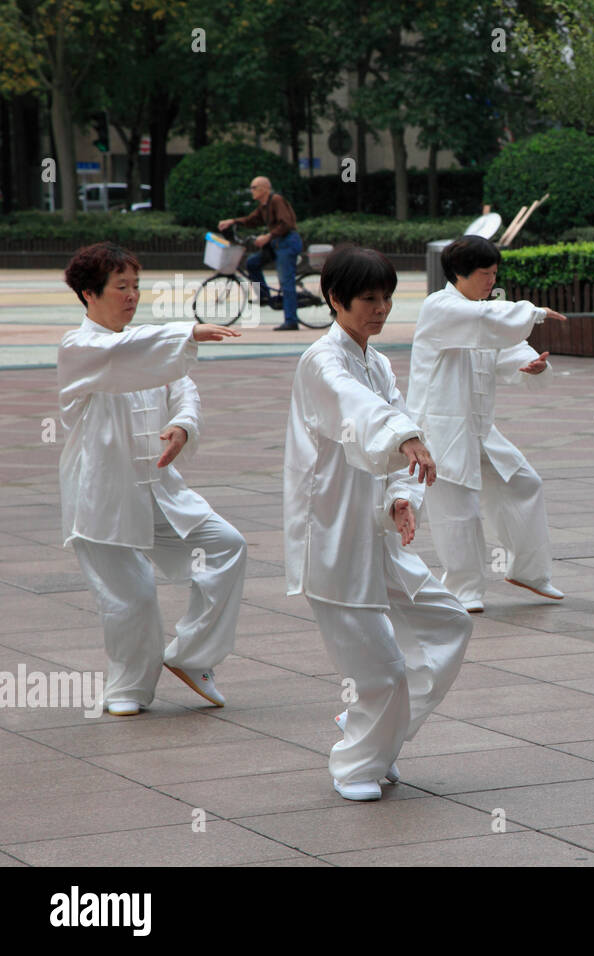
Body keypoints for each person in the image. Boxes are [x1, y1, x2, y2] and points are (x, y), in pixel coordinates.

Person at [284, 245, 471, 801]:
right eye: (368, 298)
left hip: (378, 536)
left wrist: (400, 497)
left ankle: (375, 732)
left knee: (450, 625)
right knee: (381, 674)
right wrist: (404, 436)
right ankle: (355, 765)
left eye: (388, 297)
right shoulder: (322, 361)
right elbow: (357, 412)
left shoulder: (378, 361)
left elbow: (387, 444)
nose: (381, 308)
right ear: (335, 300)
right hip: (336, 540)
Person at [59, 242, 245, 716]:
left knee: (225, 546)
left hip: (159, 488)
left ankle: (192, 655)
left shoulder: (148, 348)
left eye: (136, 286)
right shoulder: (79, 348)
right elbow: (128, 355)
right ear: (88, 294)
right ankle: (127, 688)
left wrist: (183, 426)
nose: (132, 296)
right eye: (121, 287)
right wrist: (189, 332)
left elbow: (184, 389)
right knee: (132, 597)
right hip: (104, 495)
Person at [407, 236, 568, 613]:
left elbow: (507, 346)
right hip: (442, 431)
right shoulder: (440, 307)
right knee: (457, 509)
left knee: (524, 482)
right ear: (459, 274)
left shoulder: (483, 313)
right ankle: (464, 589)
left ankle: (528, 571)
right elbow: (486, 323)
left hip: (479, 431)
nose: (491, 281)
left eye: (495, 274)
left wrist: (533, 365)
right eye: (484, 274)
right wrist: (536, 313)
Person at [218, 176, 303, 331]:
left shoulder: (276, 200)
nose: (251, 191)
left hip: (287, 243)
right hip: (276, 243)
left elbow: (287, 223)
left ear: (265, 188)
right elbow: (251, 220)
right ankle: (264, 296)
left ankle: (291, 321)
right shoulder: (263, 206)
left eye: (254, 187)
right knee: (252, 263)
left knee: (286, 281)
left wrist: (268, 236)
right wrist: (233, 221)